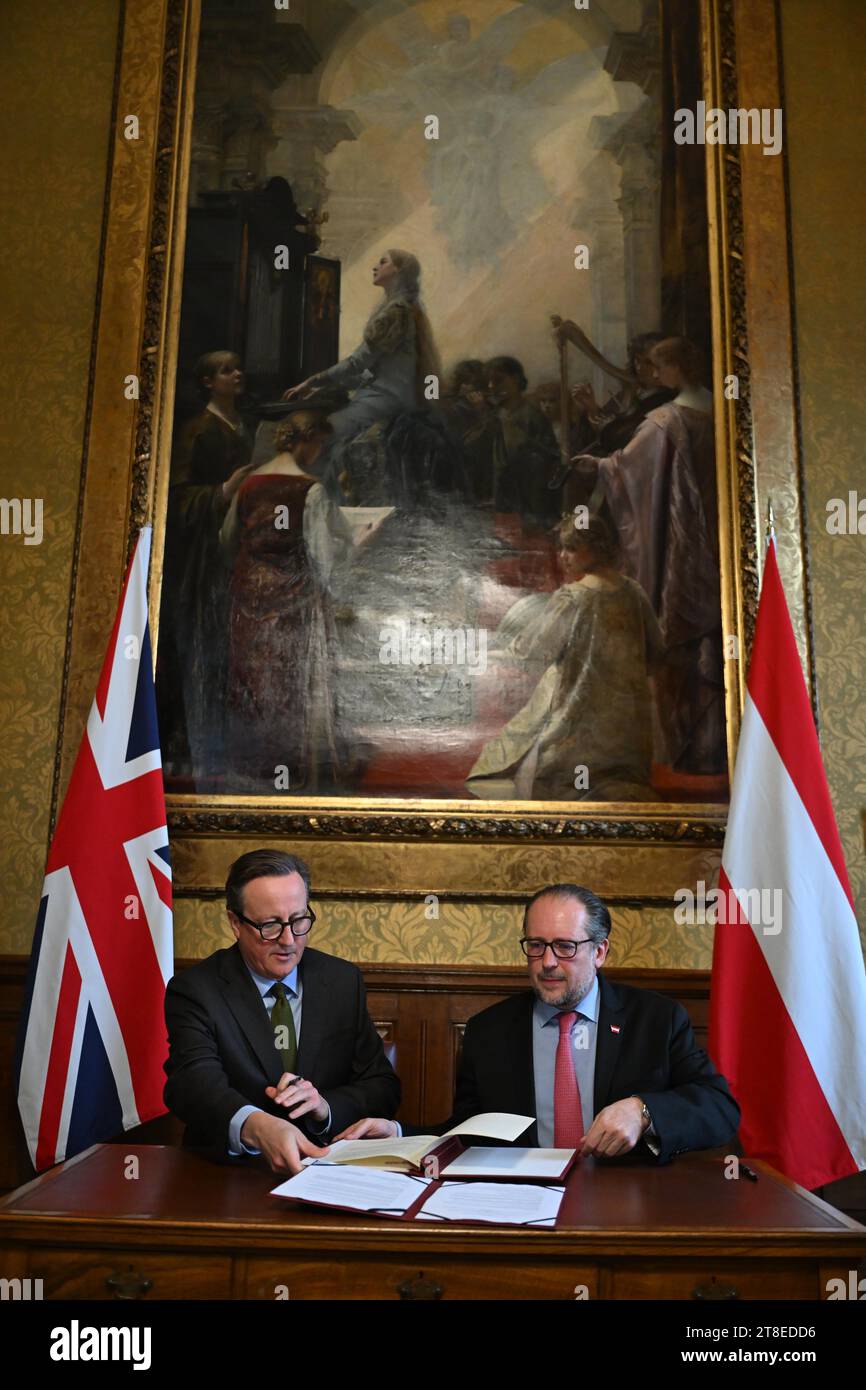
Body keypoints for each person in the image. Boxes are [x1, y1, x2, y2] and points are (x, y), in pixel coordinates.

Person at [339, 883, 740, 1163]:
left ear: (600, 951)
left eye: (565, 947)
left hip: (624, 1199)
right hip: (523, 1204)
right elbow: (468, 1132)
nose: (547, 962)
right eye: (536, 946)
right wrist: (398, 1134)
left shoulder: (656, 1019)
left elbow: (719, 1109)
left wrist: (644, 1110)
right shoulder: (489, 1031)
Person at [163, 850, 400, 1174]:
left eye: (299, 920)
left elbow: (381, 1086)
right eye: (271, 925)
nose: (289, 940)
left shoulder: (342, 981)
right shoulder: (196, 990)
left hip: (328, 1172)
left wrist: (325, 1108)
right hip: (227, 1178)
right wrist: (256, 1126)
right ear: (236, 922)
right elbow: (192, 1083)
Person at [570, 336, 724, 774]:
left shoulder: (665, 420)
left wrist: (595, 465)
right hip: (716, 537)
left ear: (676, 367)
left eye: (659, 367)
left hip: (681, 543)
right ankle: (711, 744)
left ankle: (679, 746)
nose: (653, 376)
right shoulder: (720, 408)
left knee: (676, 629)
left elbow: (626, 468)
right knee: (709, 637)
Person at [466, 514, 664, 801]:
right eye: (562, 548)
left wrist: (489, 652)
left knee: (515, 762)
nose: (562, 557)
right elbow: (656, 654)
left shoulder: (573, 598)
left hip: (577, 725)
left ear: (596, 548)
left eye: (571, 548)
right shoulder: (634, 592)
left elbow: (533, 653)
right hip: (627, 734)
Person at [219, 396, 357, 792]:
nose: (321, 455)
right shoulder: (309, 490)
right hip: (294, 598)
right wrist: (350, 557)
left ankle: (253, 769)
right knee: (287, 682)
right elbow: (322, 555)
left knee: (254, 680)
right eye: (321, 446)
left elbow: (227, 541)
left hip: (248, 592)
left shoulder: (249, 483)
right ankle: (288, 771)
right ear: (308, 440)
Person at [158, 350, 255, 786]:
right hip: (203, 561)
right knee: (202, 649)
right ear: (207, 382)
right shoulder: (197, 430)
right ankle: (194, 754)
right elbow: (175, 499)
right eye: (224, 370)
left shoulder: (248, 426)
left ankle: (230, 754)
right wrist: (223, 490)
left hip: (241, 551)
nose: (236, 374)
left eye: (237, 367)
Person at [280, 248, 442, 498]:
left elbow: (358, 362)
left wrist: (312, 381)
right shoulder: (399, 307)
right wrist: (325, 385)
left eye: (383, 262)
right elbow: (371, 369)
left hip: (386, 398)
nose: (375, 266)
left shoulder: (395, 311)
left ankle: (320, 504)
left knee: (323, 434)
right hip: (385, 394)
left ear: (397, 270)